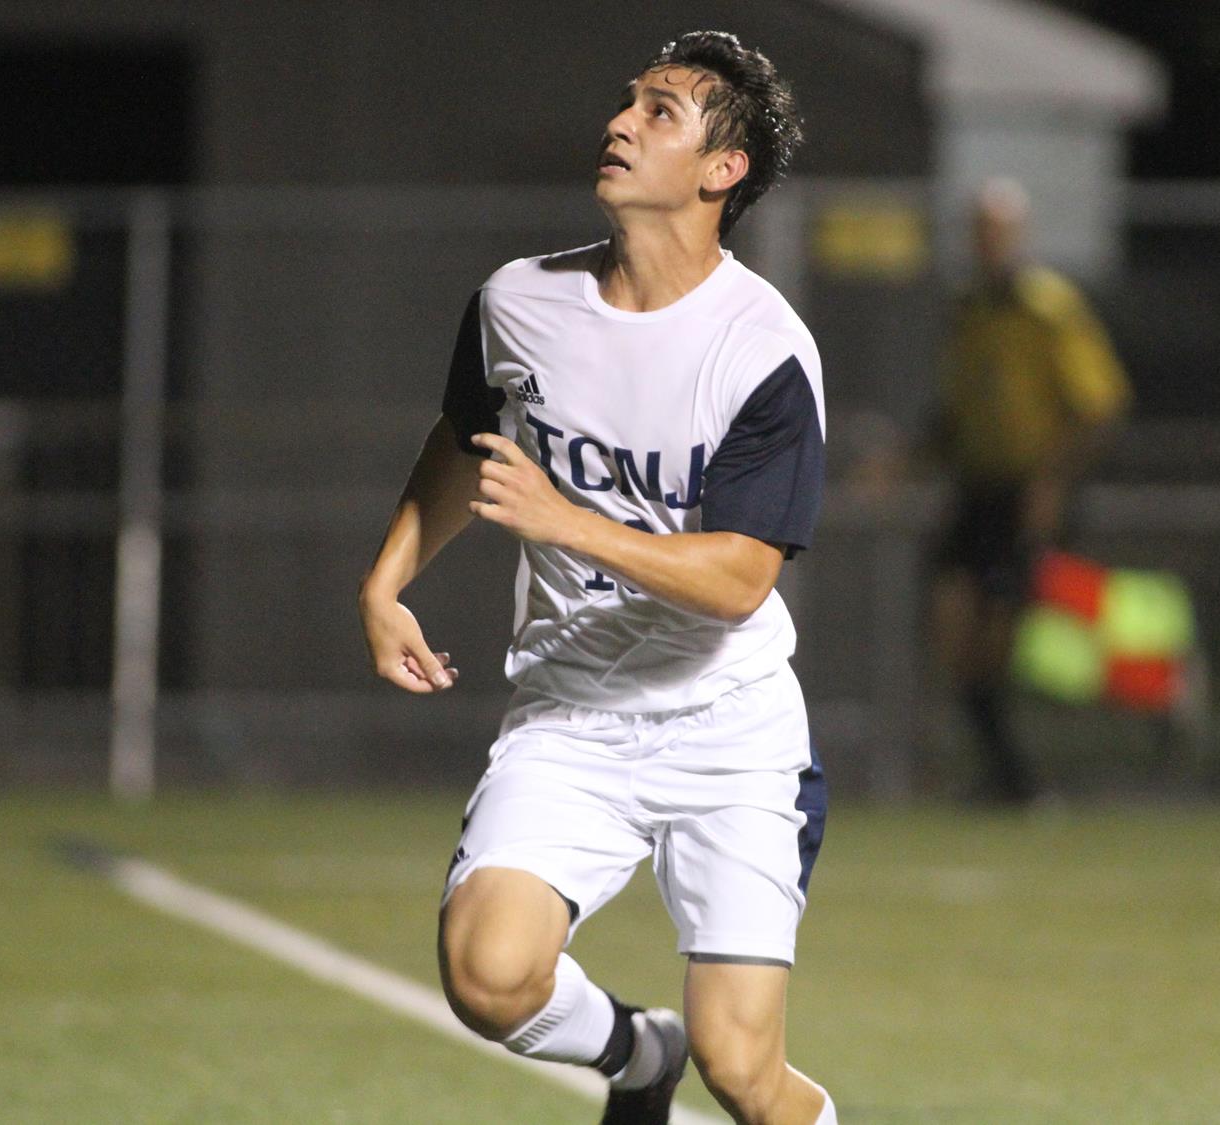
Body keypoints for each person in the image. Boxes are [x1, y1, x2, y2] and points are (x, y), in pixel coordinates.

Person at [357, 31, 836, 1125]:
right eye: (627, 103)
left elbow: (738, 579)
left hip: (727, 729)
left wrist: (567, 522)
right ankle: (634, 1060)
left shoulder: (759, 348)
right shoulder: (517, 302)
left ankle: (711, 1069)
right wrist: (384, 585)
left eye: (659, 112)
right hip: (573, 715)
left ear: (723, 171)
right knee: (486, 975)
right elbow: (463, 441)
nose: (619, 123)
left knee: (746, 1071)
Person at [930, 179, 1132, 804]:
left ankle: (1031, 771)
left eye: (996, 231)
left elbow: (1098, 405)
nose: (986, 243)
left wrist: (1051, 486)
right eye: (978, 231)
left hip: (1029, 495)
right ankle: (1007, 773)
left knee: (1017, 640)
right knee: (955, 627)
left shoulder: (1049, 307)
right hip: (977, 489)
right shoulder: (969, 308)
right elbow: (958, 410)